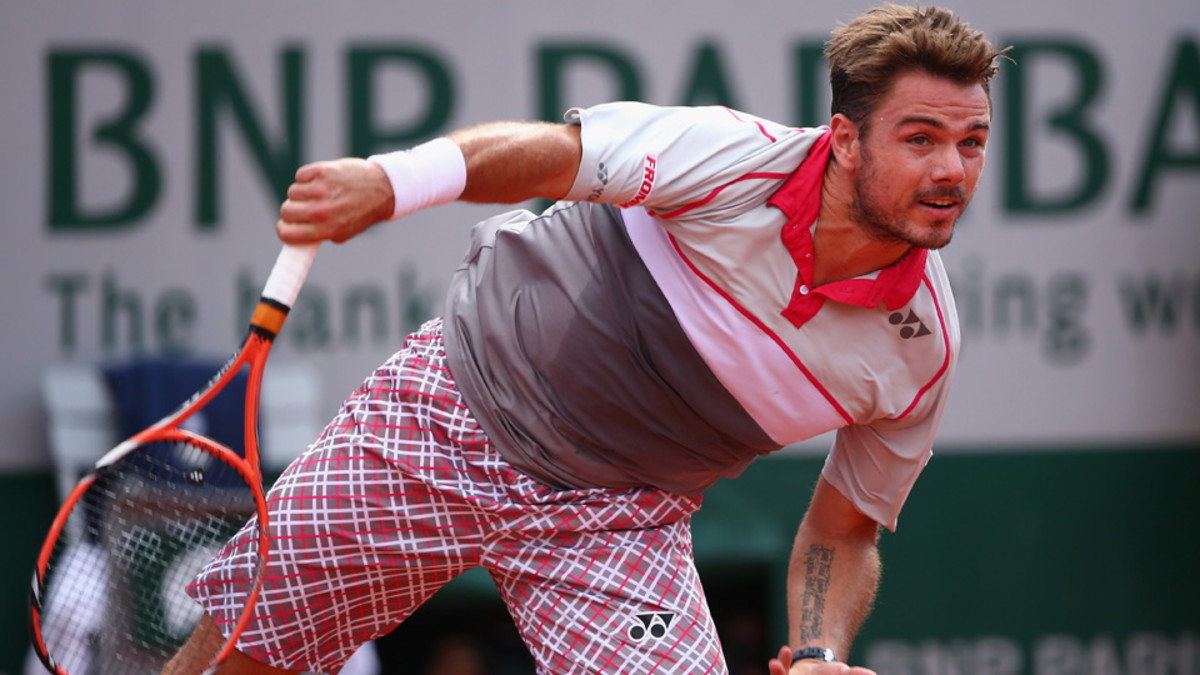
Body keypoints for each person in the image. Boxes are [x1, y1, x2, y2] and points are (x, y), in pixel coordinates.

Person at [166, 3, 1005, 673]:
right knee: (237, 662)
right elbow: (550, 156)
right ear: (847, 141)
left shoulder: (921, 347)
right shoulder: (734, 159)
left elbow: (844, 529)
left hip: (618, 517)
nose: (951, 171)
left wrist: (818, 651)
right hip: (451, 412)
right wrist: (390, 181)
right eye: (920, 139)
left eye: (971, 144)